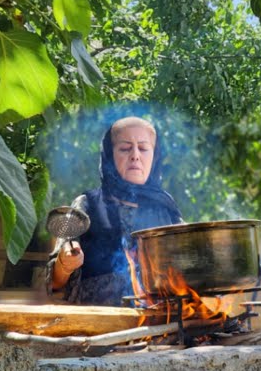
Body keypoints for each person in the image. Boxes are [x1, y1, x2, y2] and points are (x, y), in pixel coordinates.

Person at [50, 116, 183, 305]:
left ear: (155, 156)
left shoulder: (166, 208)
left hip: (160, 324)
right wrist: (65, 264)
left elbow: (188, 267)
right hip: (100, 324)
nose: (135, 155)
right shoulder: (86, 205)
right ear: (110, 156)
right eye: (125, 148)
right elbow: (53, 282)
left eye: (144, 148)